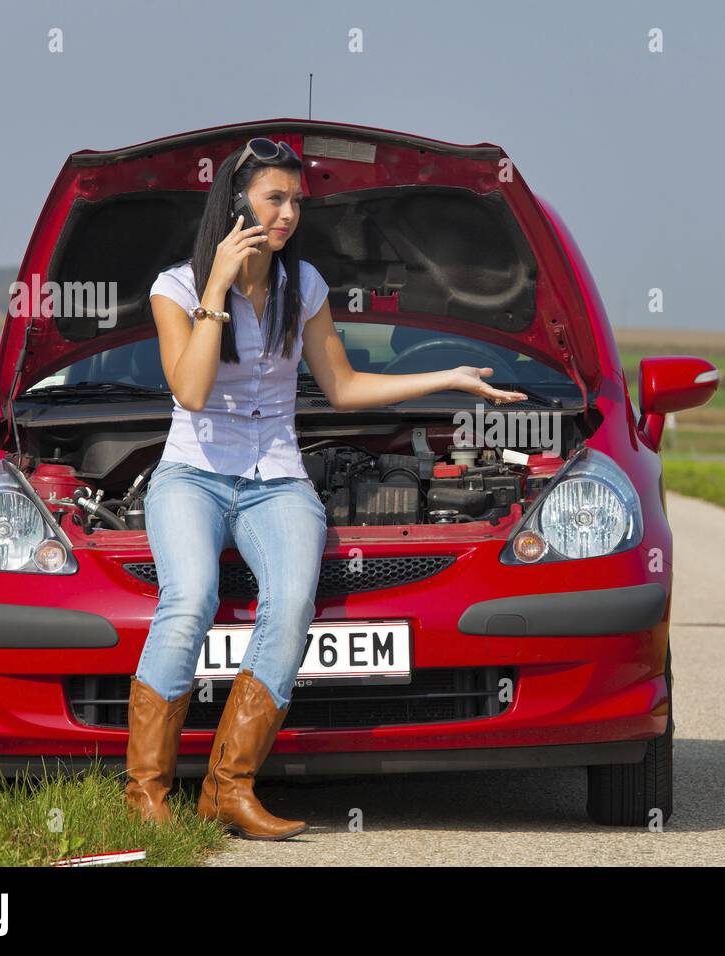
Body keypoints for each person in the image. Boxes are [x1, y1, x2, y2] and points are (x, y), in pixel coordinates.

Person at [123, 137, 526, 840]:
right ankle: (147, 796)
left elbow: (341, 386)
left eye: (296, 203)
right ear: (237, 201)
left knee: (292, 601)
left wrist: (449, 379)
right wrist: (216, 289)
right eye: (274, 199)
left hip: (276, 477)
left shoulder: (300, 286)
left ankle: (228, 789)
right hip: (191, 474)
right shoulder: (176, 288)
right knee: (189, 599)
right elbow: (189, 390)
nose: (287, 215)